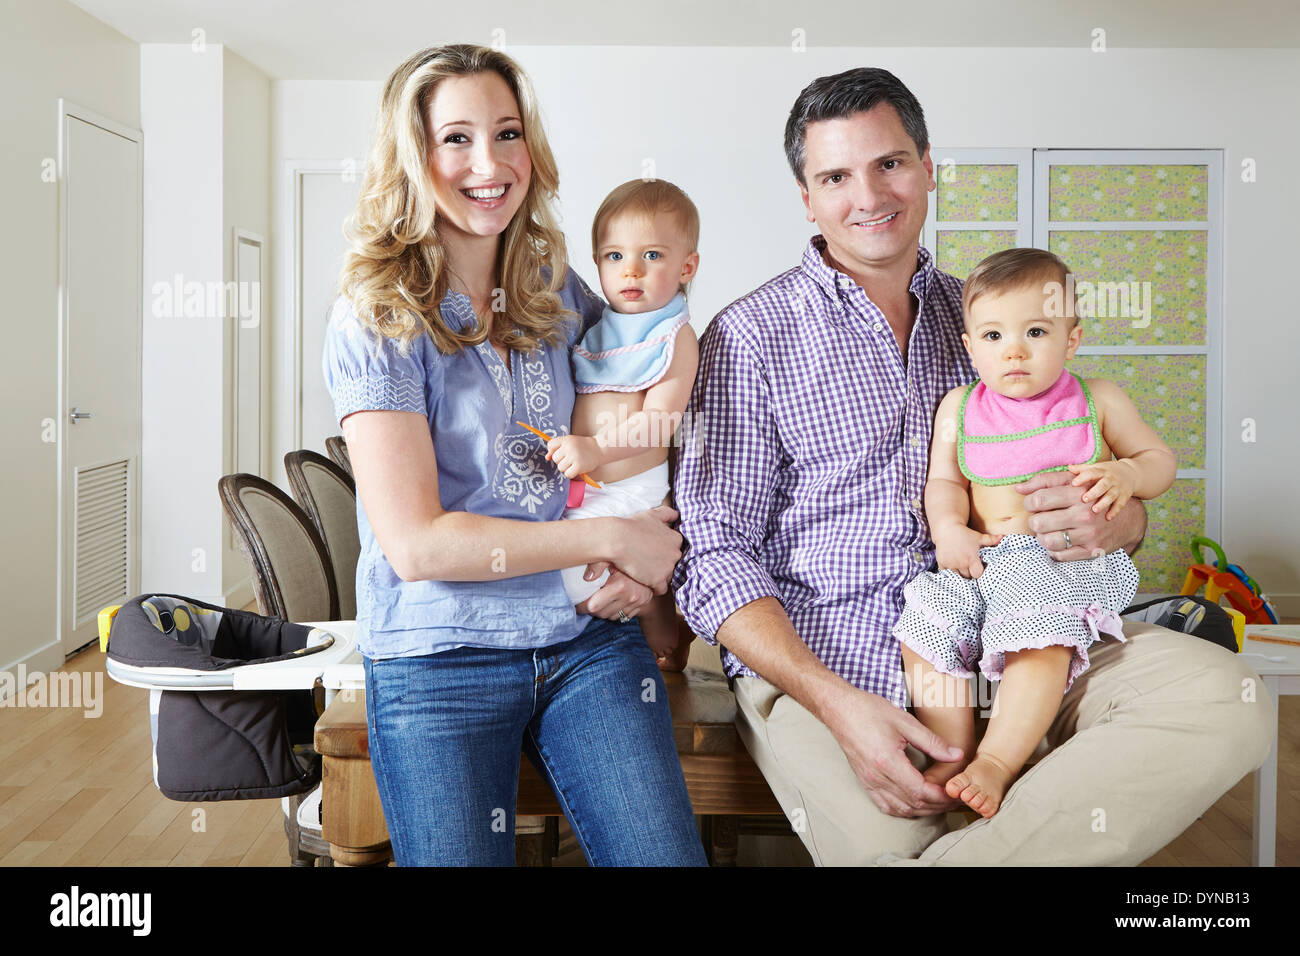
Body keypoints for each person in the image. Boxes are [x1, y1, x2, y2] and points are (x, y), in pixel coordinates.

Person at [671, 65, 1275, 865]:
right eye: (835, 175)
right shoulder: (749, 338)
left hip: (1032, 629)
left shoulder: (998, 318)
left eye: (889, 163)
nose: (868, 194)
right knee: (895, 850)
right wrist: (837, 706)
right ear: (807, 197)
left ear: (927, 167)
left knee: (1227, 699)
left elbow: (1120, 488)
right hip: (840, 663)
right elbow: (712, 557)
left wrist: (1116, 514)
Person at [322, 43, 706, 866]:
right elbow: (417, 544)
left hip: (587, 639)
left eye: (506, 132)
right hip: (439, 655)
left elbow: (648, 423)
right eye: (455, 138)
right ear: (411, 157)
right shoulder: (376, 319)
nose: (488, 163)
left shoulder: (556, 286)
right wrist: (609, 541)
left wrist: (646, 554)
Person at [893, 247, 1177, 819]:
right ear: (971, 346)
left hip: (1059, 564)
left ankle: (999, 758)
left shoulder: (1097, 401)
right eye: (993, 336)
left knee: (1039, 632)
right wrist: (949, 528)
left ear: (1072, 339)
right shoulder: (960, 408)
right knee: (926, 616)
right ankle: (953, 750)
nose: (1014, 350)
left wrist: (1127, 471)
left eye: (1037, 331)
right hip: (982, 562)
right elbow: (944, 481)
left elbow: (1159, 462)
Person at [546, 179, 700, 671]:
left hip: (633, 487)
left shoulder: (675, 336)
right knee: (562, 573)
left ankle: (671, 647)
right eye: (614, 256)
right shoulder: (597, 329)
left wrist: (595, 450)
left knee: (582, 582)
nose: (630, 269)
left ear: (686, 267)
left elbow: (658, 424)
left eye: (651, 255)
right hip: (585, 489)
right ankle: (650, 631)